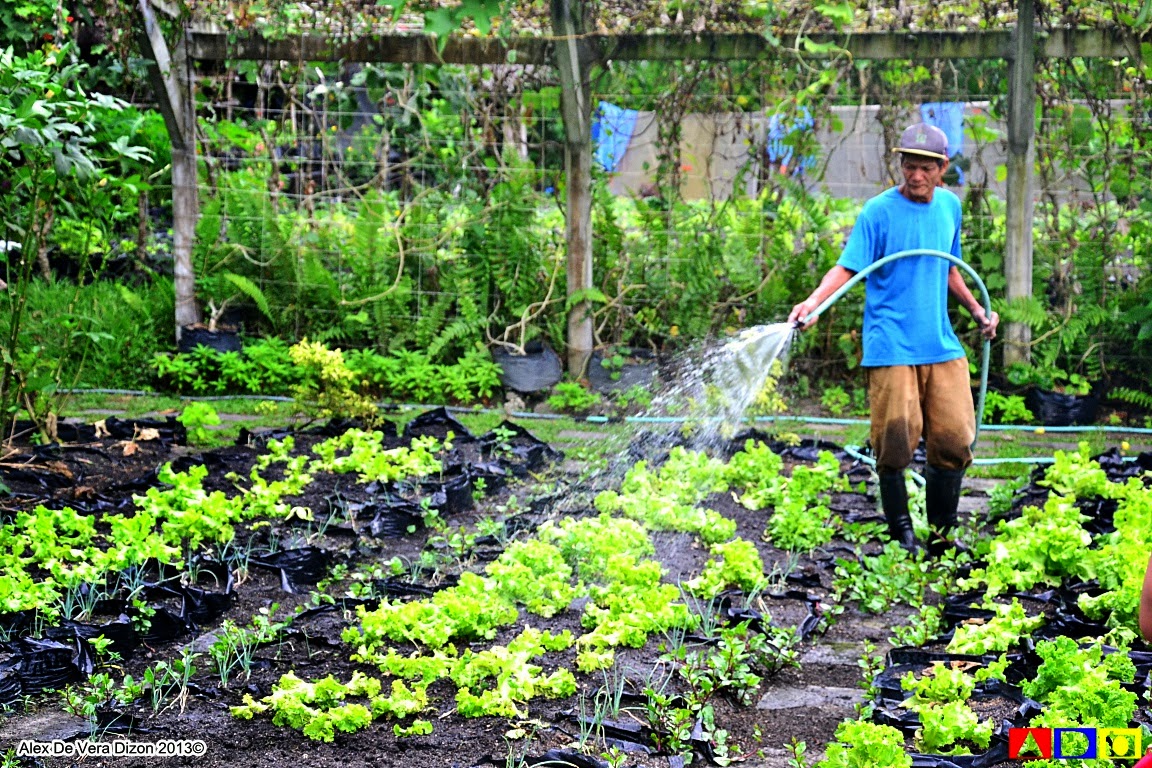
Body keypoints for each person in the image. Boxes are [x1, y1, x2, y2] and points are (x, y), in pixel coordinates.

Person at [787, 122, 999, 556]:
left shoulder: (949, 209)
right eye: (908, 166)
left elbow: (948, 268)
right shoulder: (877, 213)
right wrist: (813, 303)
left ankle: (942, 535)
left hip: (938, 341)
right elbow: (848, 268)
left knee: (955, 437)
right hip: (892, 342)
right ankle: (902, 533)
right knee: (896, 439)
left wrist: (976, 309)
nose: (914, 176)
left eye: (924, 168)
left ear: (943, 169)